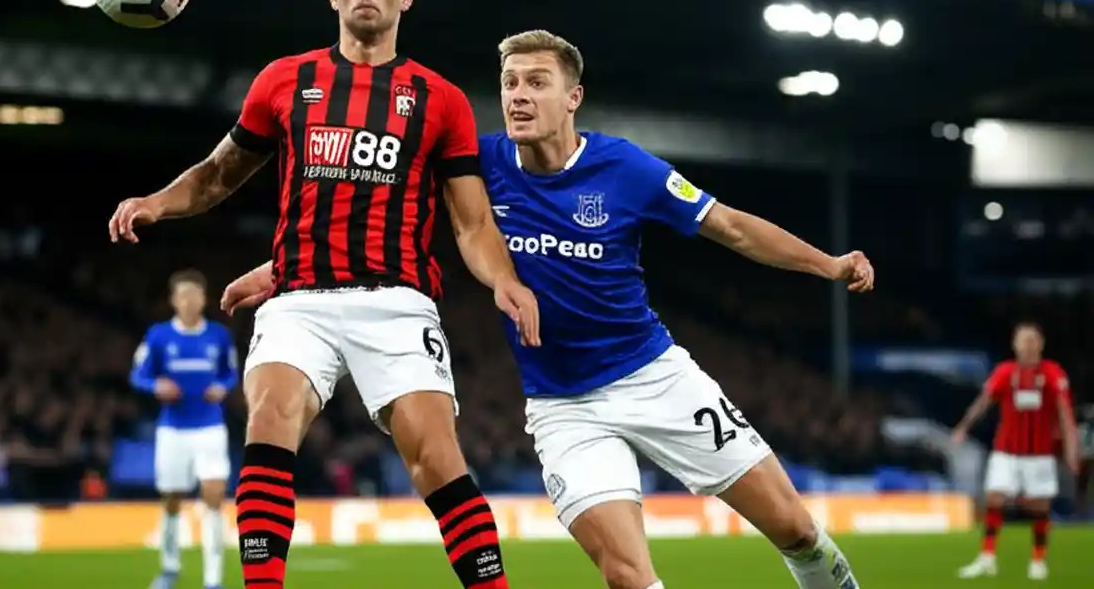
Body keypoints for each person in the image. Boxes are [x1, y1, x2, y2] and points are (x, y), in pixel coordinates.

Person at [222, 29, 874, 589]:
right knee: (627, 575)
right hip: (563, 409)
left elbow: (729, 227)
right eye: (509, 83)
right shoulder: (478, 163)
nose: (518, 96)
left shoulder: (627, 168)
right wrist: (286, 269)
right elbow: (373, 217)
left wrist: (828, 264)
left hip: (655, 378)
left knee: (794, 529)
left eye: (537, 83)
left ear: (572, 98)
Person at [109, 0, 539, 589]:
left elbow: (472, 220)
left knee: (436, 459)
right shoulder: (285, 81)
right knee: (269, 419)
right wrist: (157, 203)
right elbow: (219, 174)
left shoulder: (441, 99)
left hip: (396, 301)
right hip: (299, 301)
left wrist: (503, 279)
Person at [130, 269, 238, 589]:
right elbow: (138, 375)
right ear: (173, 300)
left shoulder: (219, 336)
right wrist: (156, 386)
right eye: (183, 295)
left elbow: (231, 373)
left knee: (214, 496)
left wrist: (222, 387)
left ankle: (213, 579)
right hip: (173, 429)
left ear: (204, 299)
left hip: (210, 426)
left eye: (194, 295)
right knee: (171, 499)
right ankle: (169, 567)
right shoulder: (158, 336)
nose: (189, 301)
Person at [952, 321, 1078, 581]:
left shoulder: (1052, 373)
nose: (1028, 344)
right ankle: (987, 558)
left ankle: (1038, 560)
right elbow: (983, 402)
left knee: (1040, 506)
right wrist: (963, 427)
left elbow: (1065, 413)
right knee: (994, 499)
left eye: (1032, 339)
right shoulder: (1005, 372)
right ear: (1015, 344)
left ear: (1041, 344)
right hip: (1006, 452)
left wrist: (1071, 448)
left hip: (1039, 454)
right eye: (1023, 339)